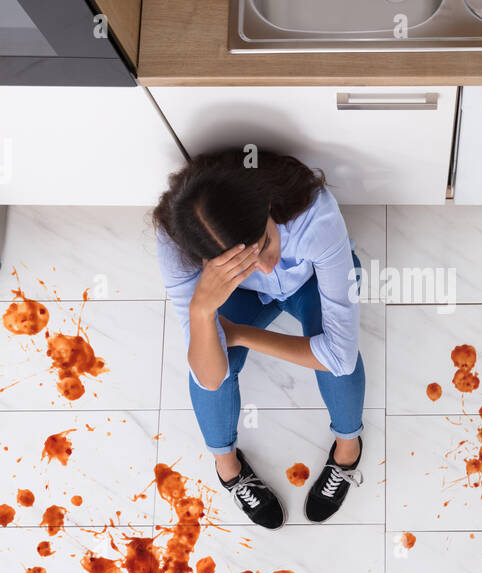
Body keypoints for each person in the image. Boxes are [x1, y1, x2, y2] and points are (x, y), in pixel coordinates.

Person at [153, 147, 365, 528]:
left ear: (266, 205)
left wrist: (242, 335)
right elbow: (210, 375)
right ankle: (228, 467)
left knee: (339, 365)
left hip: (310, 281)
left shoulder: (315, 215)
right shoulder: (175, 245)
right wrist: (202, 310)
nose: (265, 266)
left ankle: (348, 449)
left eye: (264, 243)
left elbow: (340, 355)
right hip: (241, 296)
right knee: (209, 367)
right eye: (241, 262)